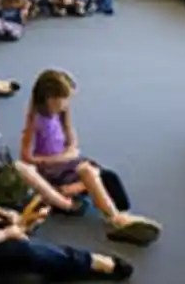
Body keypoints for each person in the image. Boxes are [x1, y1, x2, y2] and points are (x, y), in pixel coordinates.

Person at [0, 78, 134, 282]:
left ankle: (23, 236)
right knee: (26, 251)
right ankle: (90, 263)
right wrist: (5, 234)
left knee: (17, 223)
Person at [18, 70, 161, 246]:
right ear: (50, 98)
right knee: (89, 173)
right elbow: (26, 157)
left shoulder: (62, 111)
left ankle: (118, 212)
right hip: (54, 170)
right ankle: (116, 219)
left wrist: (71, 149)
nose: (67, 103)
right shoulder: (35, 121)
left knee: (109, 178)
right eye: (65, 99)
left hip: (69, 164)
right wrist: (60, 159)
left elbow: (72, 135)